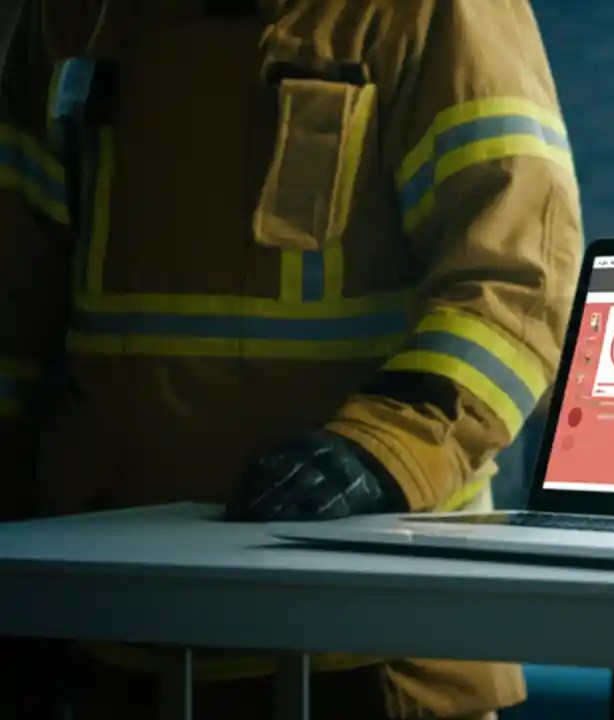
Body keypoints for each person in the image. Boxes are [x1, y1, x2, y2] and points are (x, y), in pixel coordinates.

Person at [0, 0, 582, 717]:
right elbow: (14, 300)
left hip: (375, 631)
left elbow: (518, 282)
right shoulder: (67, 20)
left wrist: (384, 453)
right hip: (114, 628)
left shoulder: (436, 13)